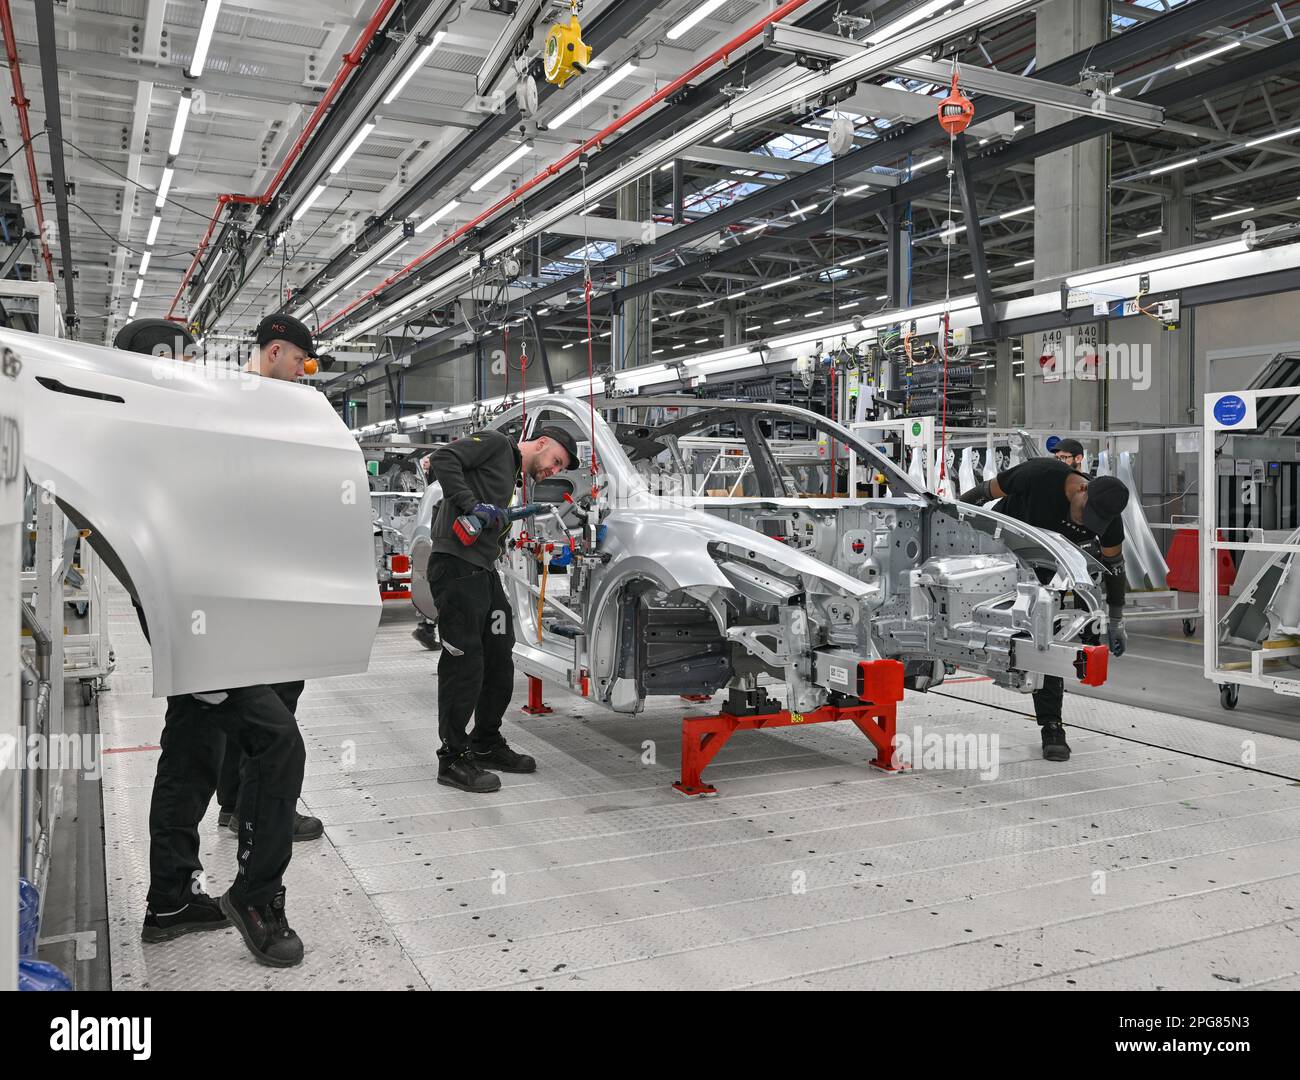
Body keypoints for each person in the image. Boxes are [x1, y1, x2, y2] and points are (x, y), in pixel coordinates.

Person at [141, 313, 322, 967]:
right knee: (277, 739)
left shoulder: (170, 426)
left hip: (199, 618)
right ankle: (257, 897)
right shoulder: (169, 425)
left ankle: (169, 902)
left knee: (188, 756)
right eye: (181, 362)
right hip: (202, 625)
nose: (194, 372)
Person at [426, 424, 579, 793]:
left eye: (560, 469)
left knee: (498, 658)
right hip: (455, 567)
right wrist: (471, 506)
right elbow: (442, 459)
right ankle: (453, 758)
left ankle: (486, 742)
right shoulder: (495, 444)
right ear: (541, 444)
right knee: (465, 663)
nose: (553, 471)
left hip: (483, 571)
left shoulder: (511, 473)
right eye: (556, 461)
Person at [960, 457, 1129, 762]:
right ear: (1081, 489)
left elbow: (1114, 568)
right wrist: (948, 520)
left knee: (1044, 637)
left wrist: (1116, 619)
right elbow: (983, 493)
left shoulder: (1109, 517)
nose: (1083, 524)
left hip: (1045, 570)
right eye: (1083, 514)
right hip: (999, 548)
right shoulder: (1041, 474)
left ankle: (1052, 727)